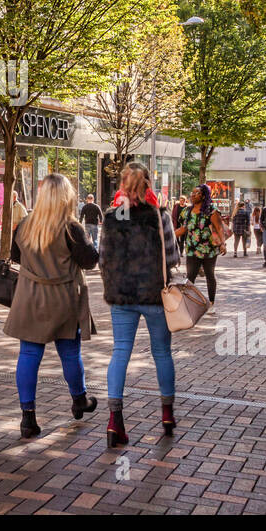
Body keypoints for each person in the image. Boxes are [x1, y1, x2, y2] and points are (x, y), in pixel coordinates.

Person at [5, 173, 100, 438]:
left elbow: (15, 256)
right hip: (64, 298)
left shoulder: (25, 225)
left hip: (30, 297)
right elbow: (90, 261)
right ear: (66, 197)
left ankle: (28, 419)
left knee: (28, 354)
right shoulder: (72, 228)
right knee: (70, 353)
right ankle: (79, 400)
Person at [100, 162, 179, 447]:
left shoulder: (112, 217)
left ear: (122, 184)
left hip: (121, 294)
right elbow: (171, 257)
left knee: (120, 352)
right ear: (148, 184)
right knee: (162, 352)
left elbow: (102, 258)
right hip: (154, 294)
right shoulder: (160, 216)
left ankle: (114, 421)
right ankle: (167, 414)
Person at [177, 183, 225, 308]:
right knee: (190, 277)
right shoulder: (187, 211)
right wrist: (166, 236)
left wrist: (222, 244)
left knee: (210, 275)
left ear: (203, 196)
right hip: (192, 250)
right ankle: (188, 304)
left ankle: (211, 303)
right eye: (192, 193)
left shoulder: (211, 210)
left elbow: (219, 228)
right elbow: (183, 229)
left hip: (209, 250)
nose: (193, 195)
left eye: (196, 193)